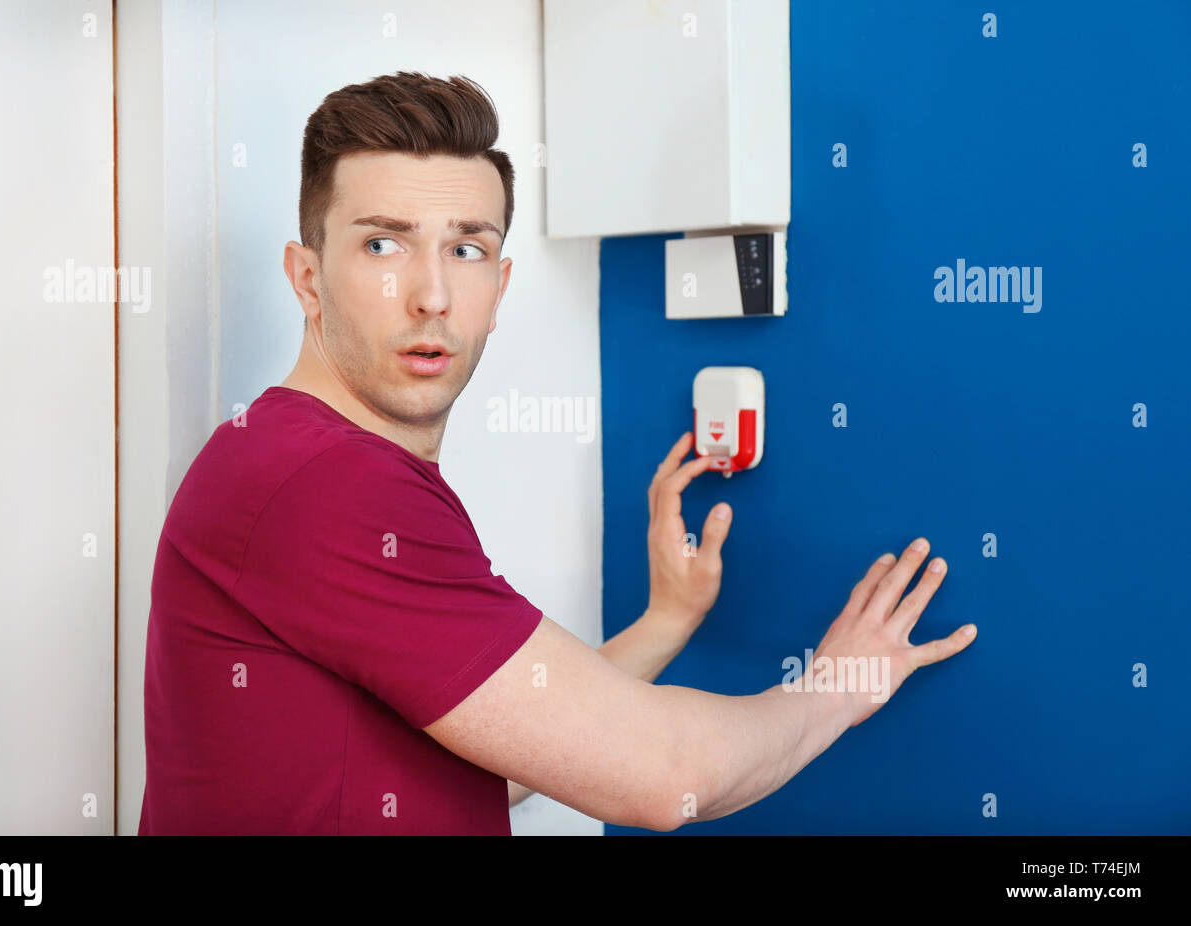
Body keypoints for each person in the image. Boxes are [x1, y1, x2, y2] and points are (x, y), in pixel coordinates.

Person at [137, 70, 976, 836]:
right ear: (308, 277)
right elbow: (665, 779)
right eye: (383, 245)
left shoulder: (291, 458)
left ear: (498, 288)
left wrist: (665, 622)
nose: (432, 296)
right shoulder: (326, 483)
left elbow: (492, 762)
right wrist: (836, 686)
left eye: (465, 249)